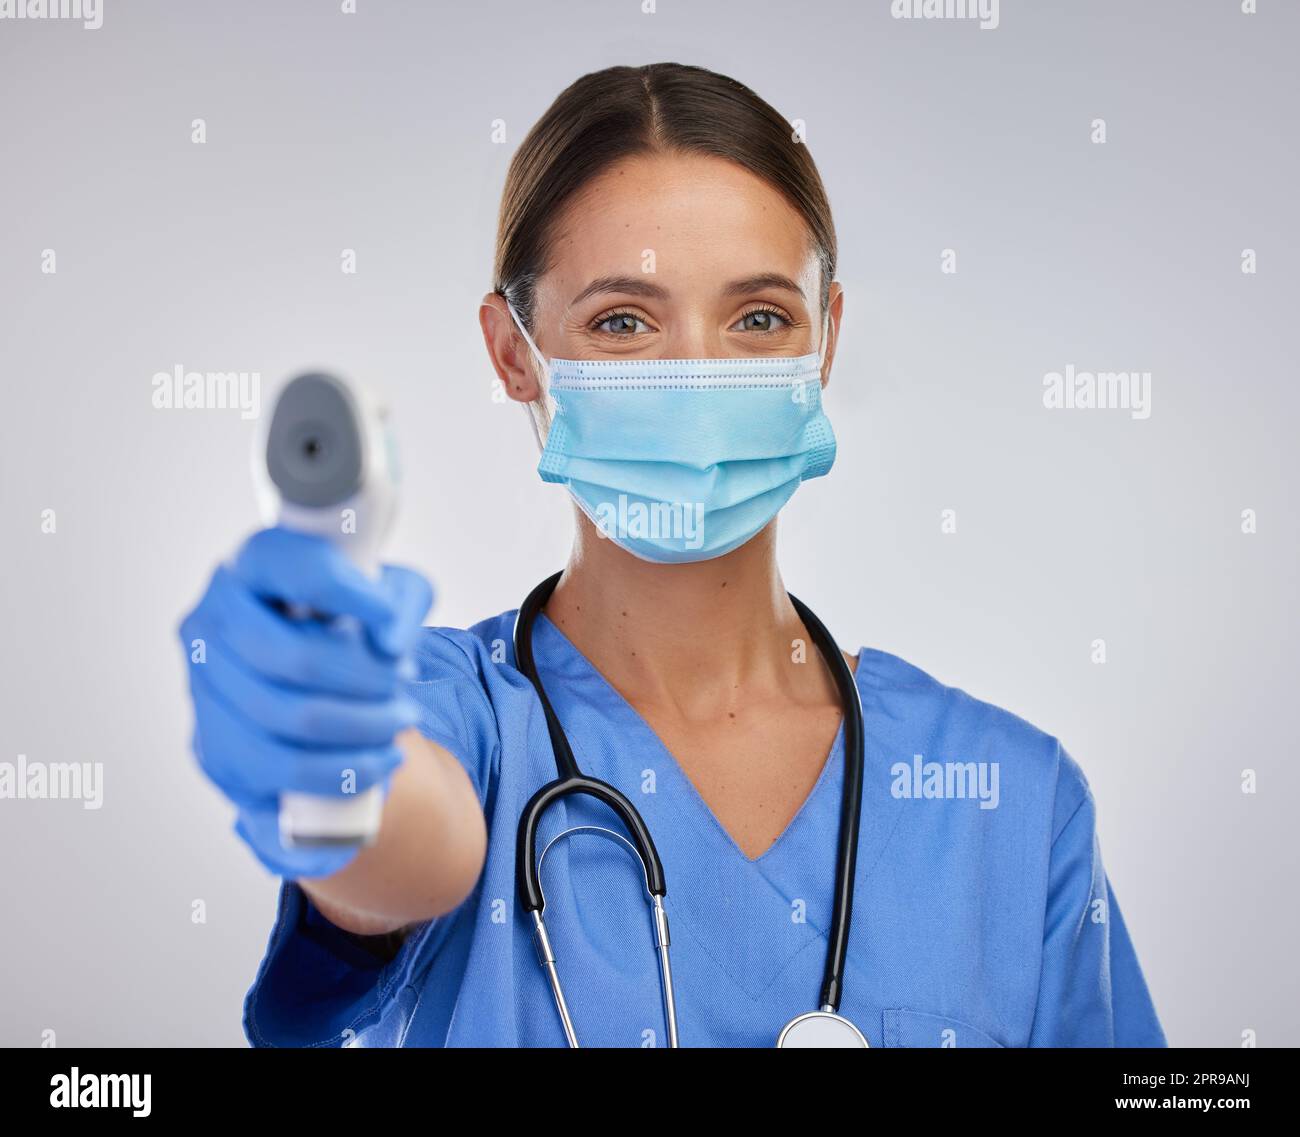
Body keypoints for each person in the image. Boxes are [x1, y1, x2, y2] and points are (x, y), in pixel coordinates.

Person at [178, 62, 1166, 1048]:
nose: (695, 375)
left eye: (758, 318)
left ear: (824, 342)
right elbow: (406, 846)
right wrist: (327, 747)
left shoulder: (1009, 800)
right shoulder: (459, 721)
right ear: (512, 350)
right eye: (622, 321)